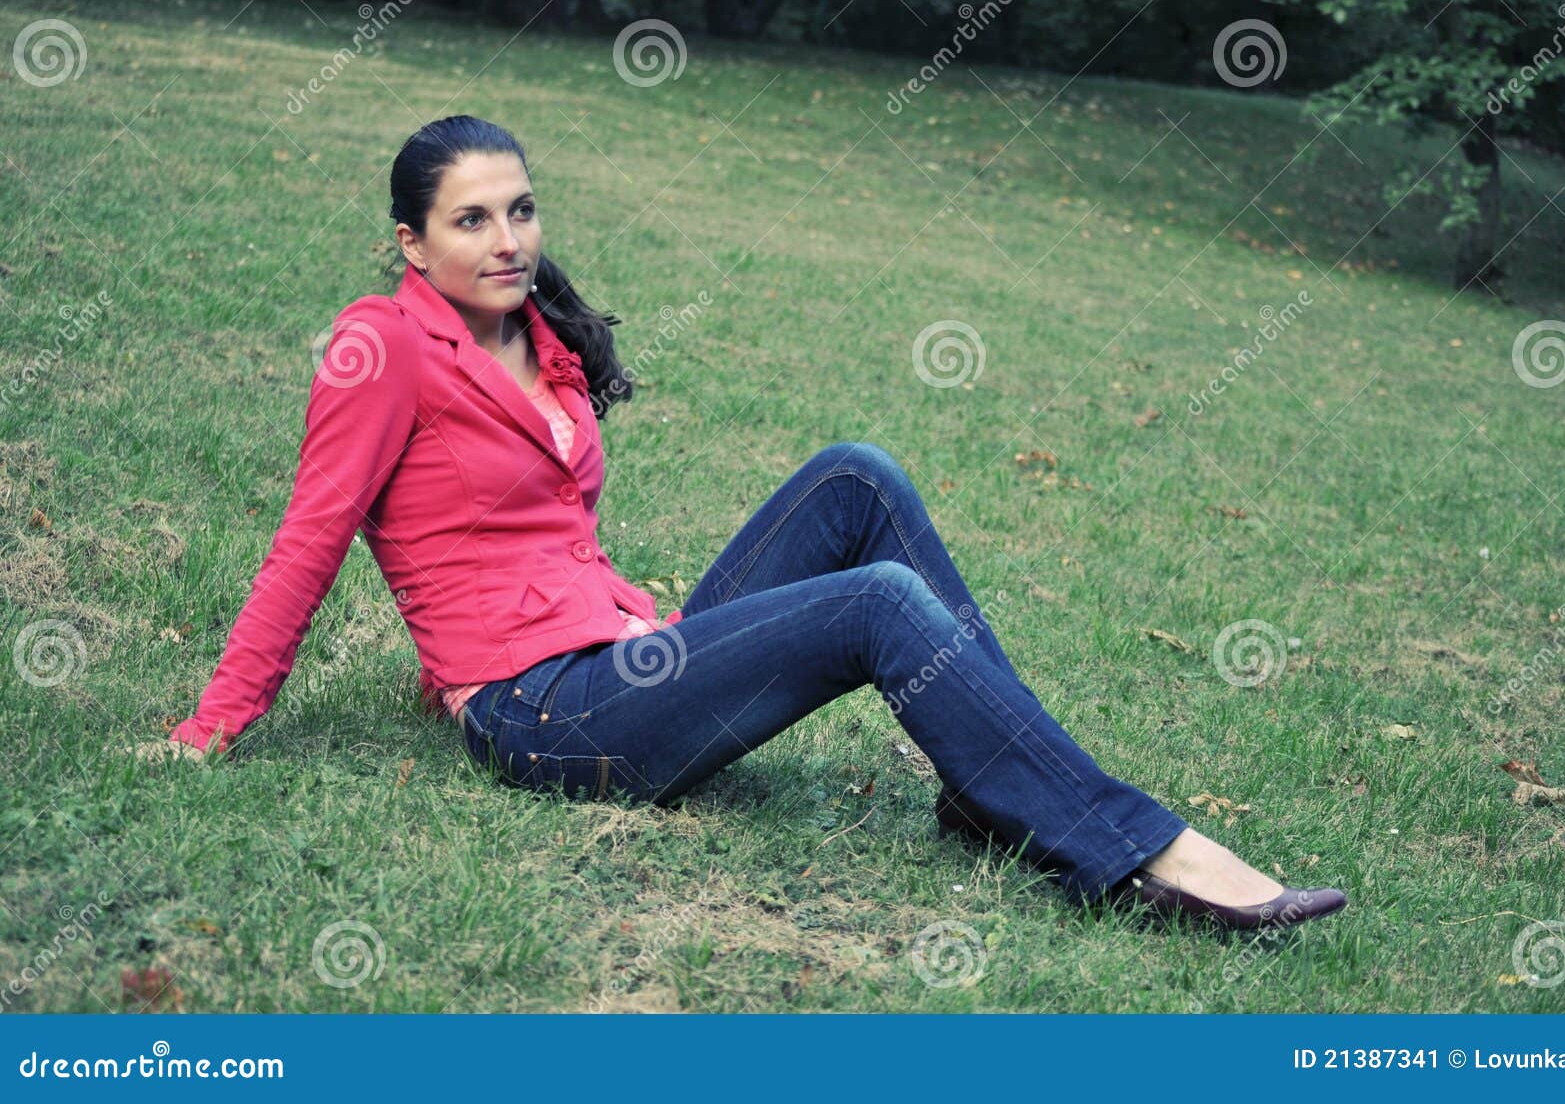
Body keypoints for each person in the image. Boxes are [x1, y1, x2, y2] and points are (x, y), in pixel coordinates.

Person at [139, 115, 1346, 934]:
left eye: (520, 209)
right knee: (879, 606)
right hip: (542, 712)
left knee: (854, 478)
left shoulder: (537, 338)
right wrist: (213, 724)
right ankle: (1131, 848)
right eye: (470, 221)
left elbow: (537, 535)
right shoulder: (385, 344)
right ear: (411, 242)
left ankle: (989, 796)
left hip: (623, 655)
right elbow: (311, 539)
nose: (508, 241)